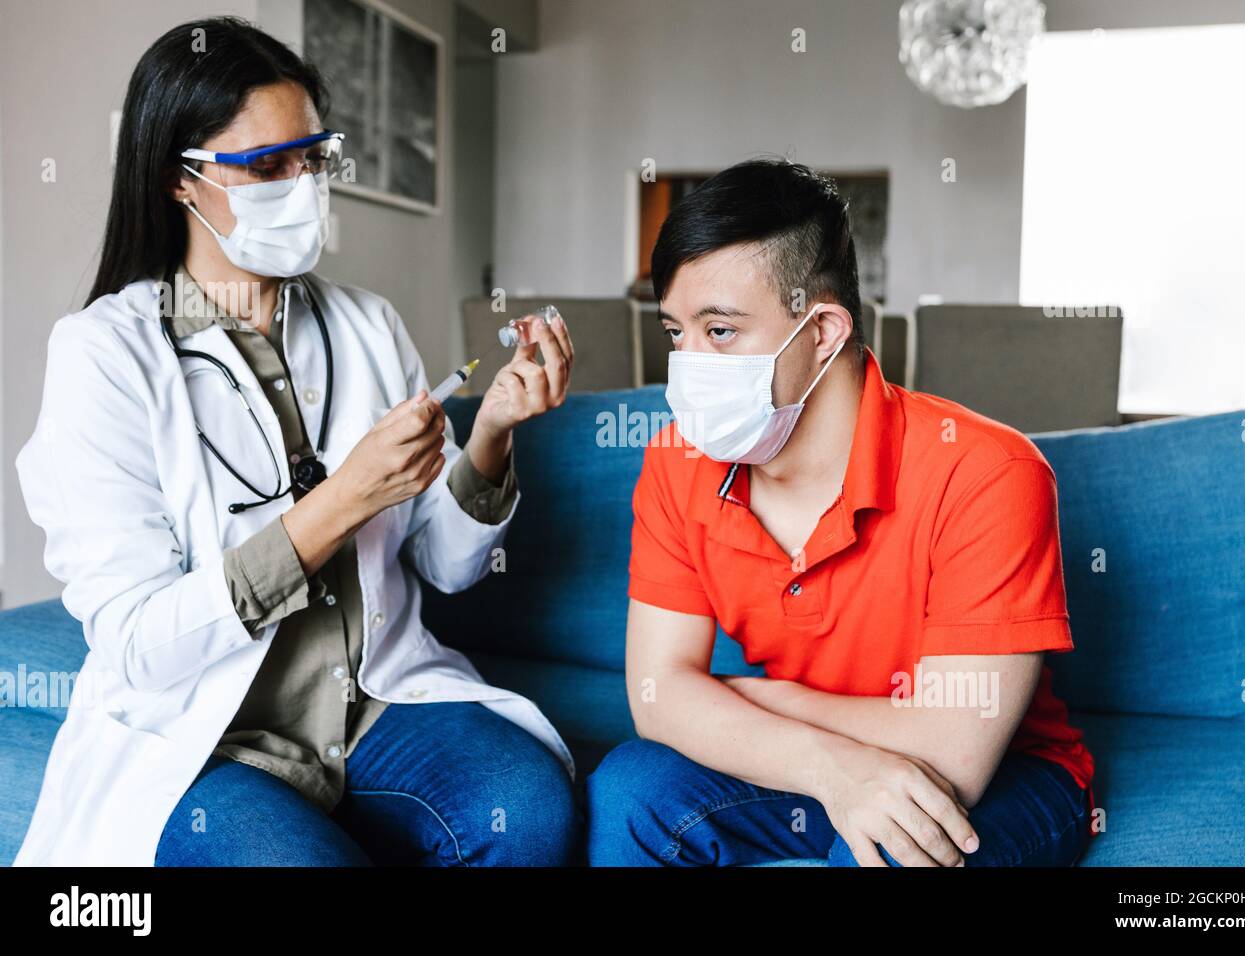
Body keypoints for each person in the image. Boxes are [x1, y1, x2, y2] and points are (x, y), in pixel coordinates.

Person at [13, 17, 579, 867]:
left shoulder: (368, 326)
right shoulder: (104, 354)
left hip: (374, 707)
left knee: (527, 809)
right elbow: (139, 640)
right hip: (210, 735)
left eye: (314, 158)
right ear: (180, 181)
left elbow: (449, 567)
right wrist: (342, 501)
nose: (304, 186)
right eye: (267, 168)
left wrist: (491, 433)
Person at [585, 158, 1096, 867]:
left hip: (1011, 774)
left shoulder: (987, 471)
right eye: (677, 333)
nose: (689, 364)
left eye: (721, 331)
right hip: (812, 764)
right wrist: (830, 767)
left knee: (891, 851)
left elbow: (956, 748)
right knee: (631, 790)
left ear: (822, 330)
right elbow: (657, 694)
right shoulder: (677, 461)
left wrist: (771, 699)